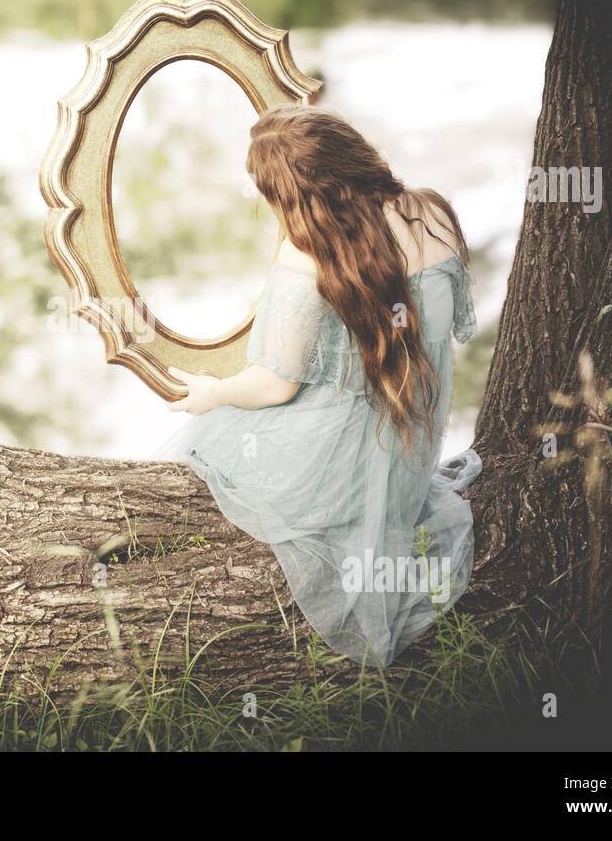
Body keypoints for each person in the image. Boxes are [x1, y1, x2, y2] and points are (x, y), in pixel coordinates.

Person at [155, 107, 481, 669]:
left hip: (345, 459)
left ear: (294, 196)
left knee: (211, 435)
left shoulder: (310, 254)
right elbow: (444, 334)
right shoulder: (433, 214)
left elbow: (276, 386)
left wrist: (215, 393)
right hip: (410, 448)